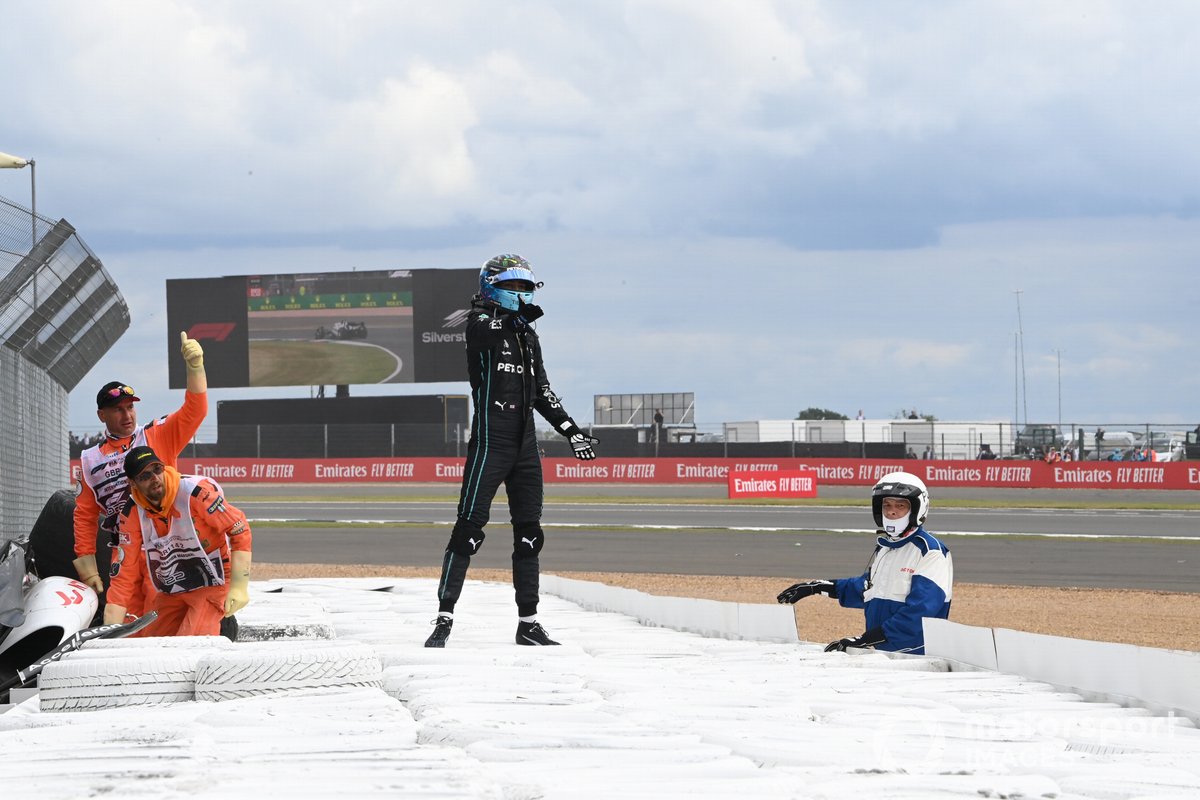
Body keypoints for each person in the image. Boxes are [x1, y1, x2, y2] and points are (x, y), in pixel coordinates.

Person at [425, 254, 599, 648]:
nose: (521, 295)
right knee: (468, 531)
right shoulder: (480, 324)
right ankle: (444, 619)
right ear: (492, 287)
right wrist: (518, 317)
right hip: (490, 443)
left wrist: (571, 431)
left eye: (526, 288)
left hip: (525, 449)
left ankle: (529, 625)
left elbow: (542, 392)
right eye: (514, 288)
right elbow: (490, 331)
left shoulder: (528, 336)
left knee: (530, 536)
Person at [72, 332, 208, 621]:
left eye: (130, 407)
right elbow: (84, 516)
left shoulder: (156, 434)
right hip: (126, 552)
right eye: (118, 410)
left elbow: (195, 411)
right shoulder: (90, 460)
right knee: (129, 623)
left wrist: (195, 368)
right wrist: (88, 567)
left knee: (177, 617)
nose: (127, 415)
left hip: (171, 545)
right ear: (101, 416)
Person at [776, 471, 953, 655]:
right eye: (886, 505)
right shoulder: (886, 549)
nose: (891, 511)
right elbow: (866, 589)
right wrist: (817, 587)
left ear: (917, 509)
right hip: (882, 654)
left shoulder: (930, 552)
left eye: (900, 506)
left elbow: (921, 612)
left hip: (917, 657)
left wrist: (866, 640)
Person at [103, 446, 252, 637]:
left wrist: (239, 587)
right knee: (151, 644)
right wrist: (109, 629)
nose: (154, 478)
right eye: (145, 476)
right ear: (132, 482)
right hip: (173, 588)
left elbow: (239, 528)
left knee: (189, 645)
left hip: (213, 581)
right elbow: (125, 571)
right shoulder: (131, 512)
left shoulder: (197, 493)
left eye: (157, 469)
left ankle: (218, 624)